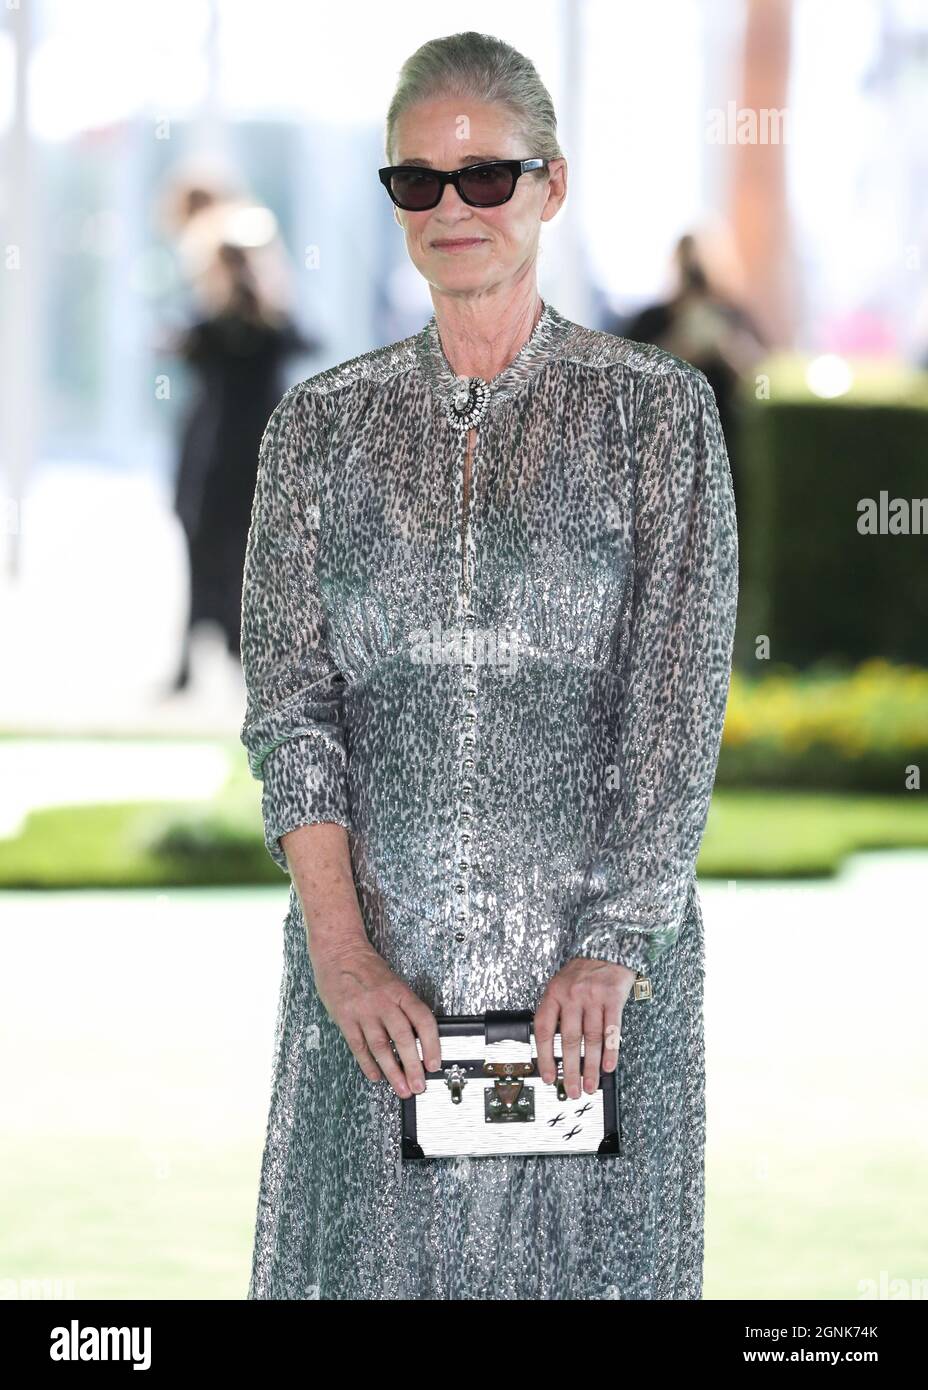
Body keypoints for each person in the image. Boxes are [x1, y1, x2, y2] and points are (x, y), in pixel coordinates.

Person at [239, 30, 738, 1300]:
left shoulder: (656, 413)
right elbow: (291, 714)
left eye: (486, 176)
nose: (452, 208)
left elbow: (676, 703)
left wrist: (614, 942)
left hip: (598, 1005)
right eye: (418, 181)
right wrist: (345, 959)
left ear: (550, 185)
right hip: (372, 1005)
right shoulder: (318, 428)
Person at [168, 237, 317, 688]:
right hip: (214, 458)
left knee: (254, 560)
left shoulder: (270, 326)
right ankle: (196, 656)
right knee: (205, 552)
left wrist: (267, 299)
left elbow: (304, 341)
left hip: (251, 457)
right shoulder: (211, 328)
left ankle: (246, 651)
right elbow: (187, 347)